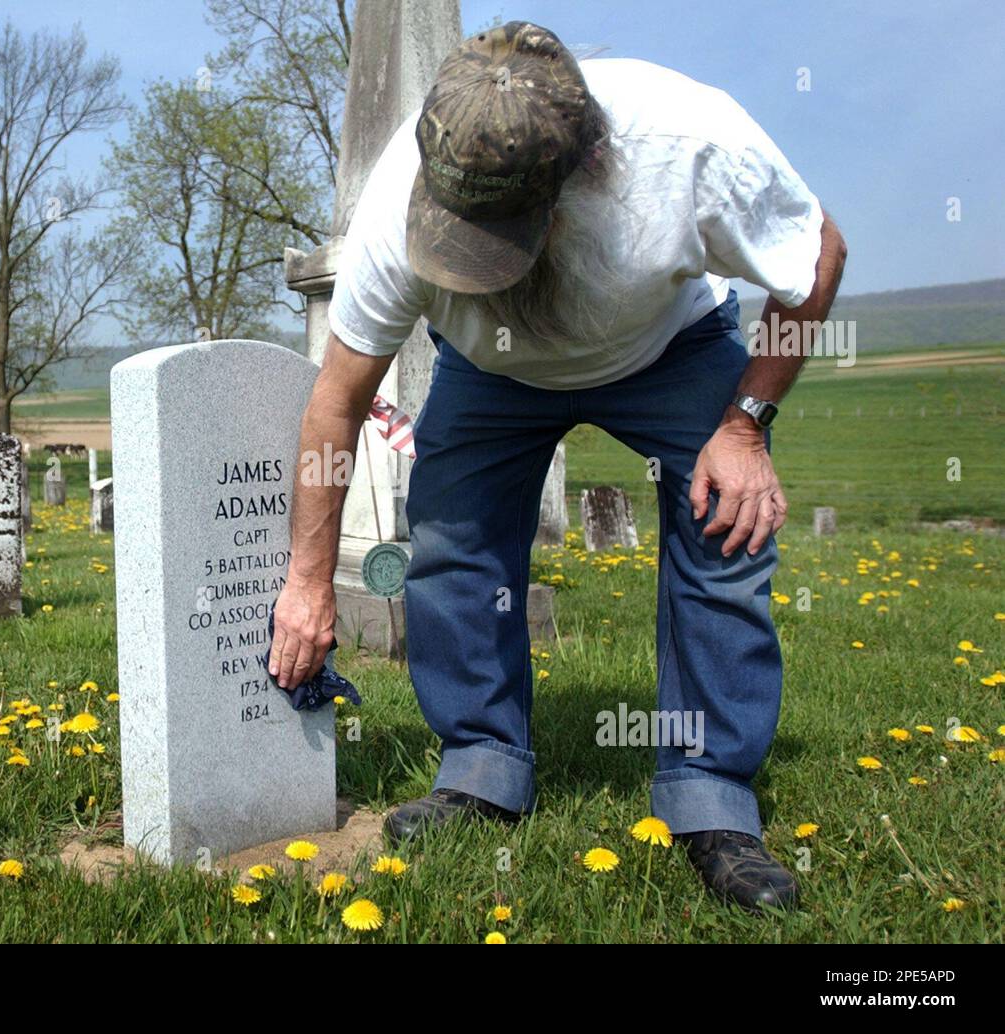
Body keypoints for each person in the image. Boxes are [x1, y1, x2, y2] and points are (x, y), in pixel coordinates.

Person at [268, 20, 846, 912]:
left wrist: (746, 426)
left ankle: (712, 798)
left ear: (584, 171)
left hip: (669, 348)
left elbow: (817, 260)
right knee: (452, 541)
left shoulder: (689, 145)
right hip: (491, 372)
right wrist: (307, 581)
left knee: (724, 532)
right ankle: (483, 768)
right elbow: (335, 405)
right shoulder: (392, 209)